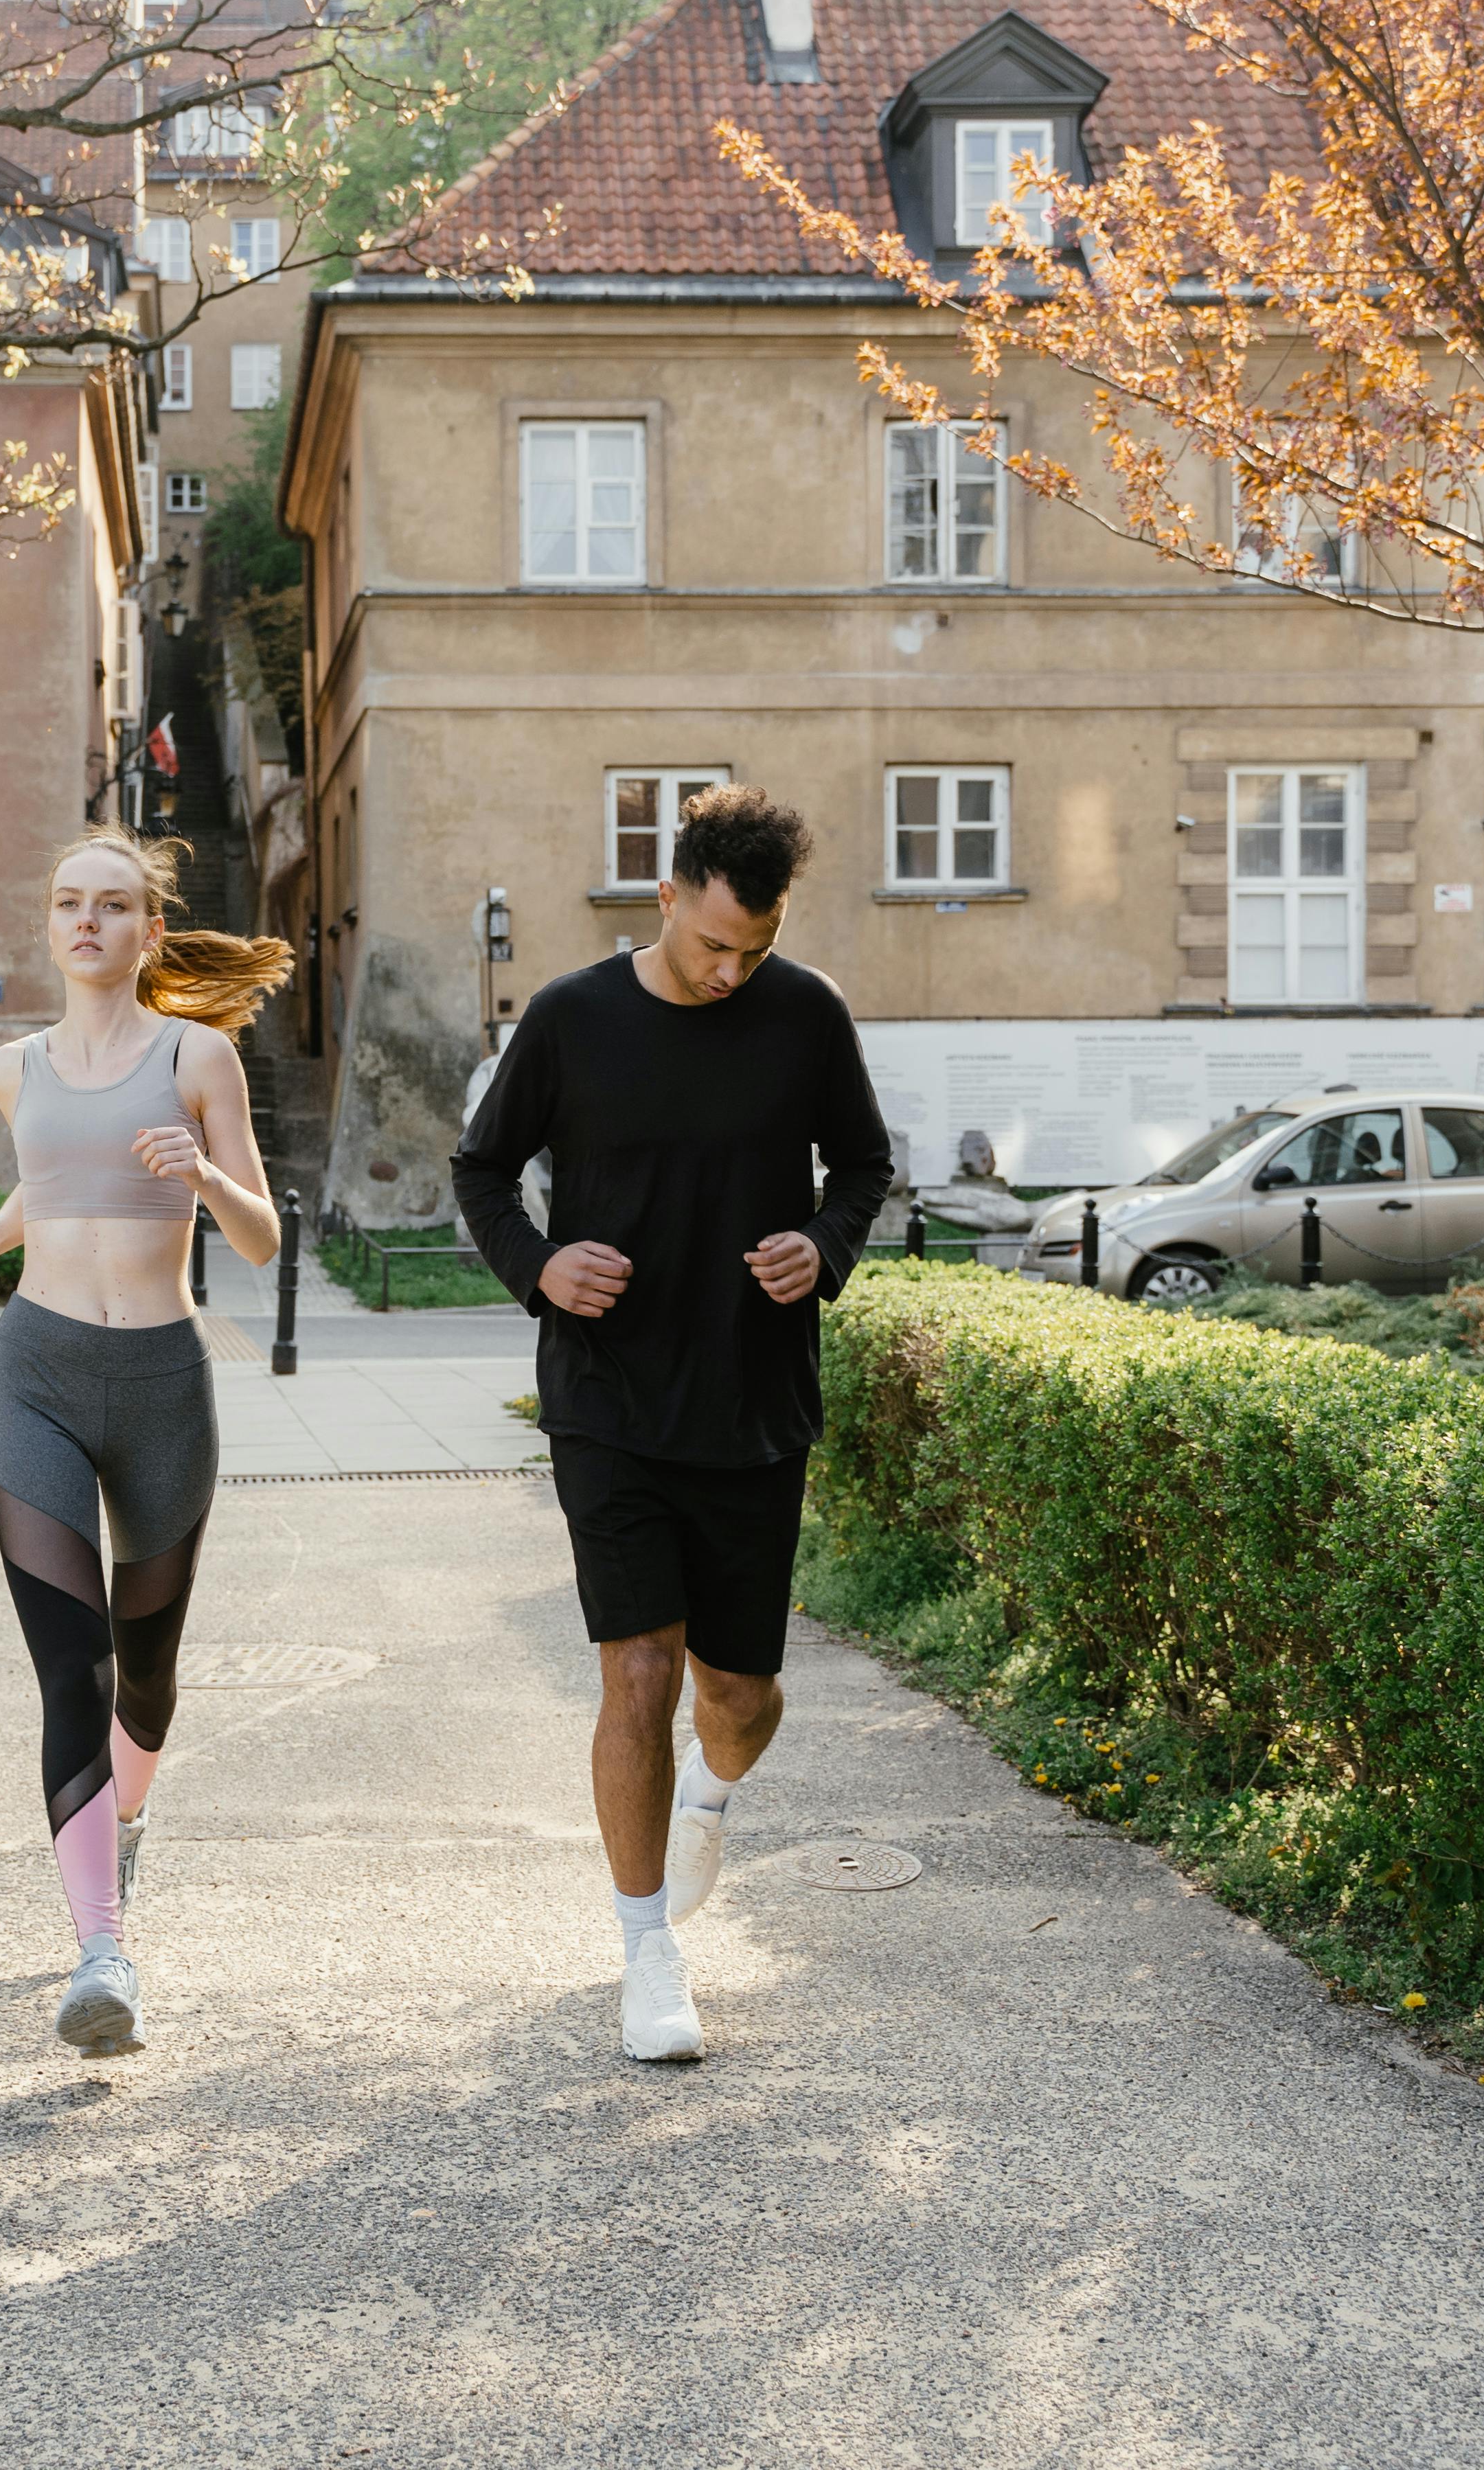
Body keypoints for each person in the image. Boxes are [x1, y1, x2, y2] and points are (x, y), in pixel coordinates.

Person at [450, 786, 893, 2061]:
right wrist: (537, 1266)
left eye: (751, 950)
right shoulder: (573, 1019)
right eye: (711, 945)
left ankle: (708, 1794)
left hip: (755, 1399)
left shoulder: (804, 1012)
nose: (728, 971)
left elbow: (862, 1166)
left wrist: (825, 1243)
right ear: (667, 897)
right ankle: (647, 1950)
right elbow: (484, 1171)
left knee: (742, 1696)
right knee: (639, 1671)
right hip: (610, 1397)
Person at [0, 834, 289, 2055]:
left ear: (150, 930)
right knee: (71, 1670)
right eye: (68, 904)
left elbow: (260, 1243)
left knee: (146, 1673)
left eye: (114, 906)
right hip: (34, 1376)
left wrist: (203, 1174)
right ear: (49, 926)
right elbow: (56, 1176)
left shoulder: (200, 1055)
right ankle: (101, 1954)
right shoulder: (12, 1065)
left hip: (159, 1385)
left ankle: (123, 1829)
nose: (87, 922)